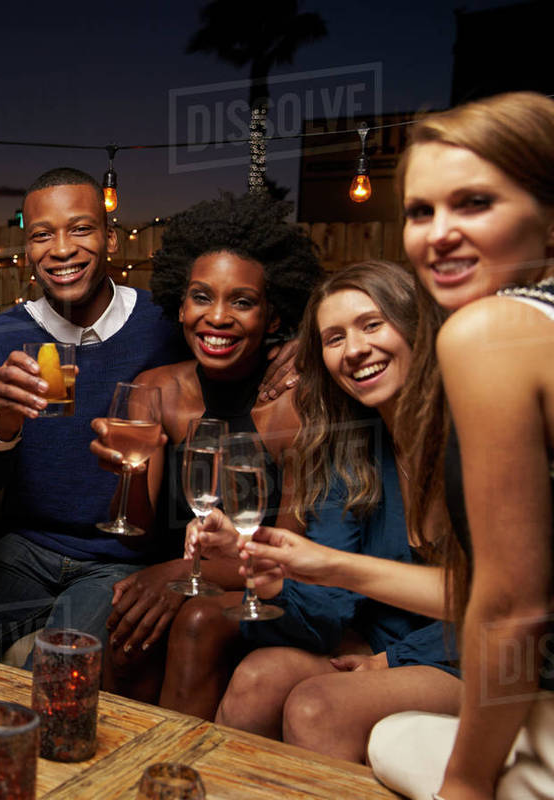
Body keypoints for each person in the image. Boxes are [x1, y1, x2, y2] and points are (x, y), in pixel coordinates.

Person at [0, 167, 190, 660]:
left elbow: (240, 341)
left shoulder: (163, 324)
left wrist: (291, 356)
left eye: (80, 228)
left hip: (120, 560)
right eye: (43, 235)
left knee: (59, 667)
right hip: (25, 549)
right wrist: (3, 423)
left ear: (109, 236)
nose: (61, 249)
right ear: (27, 251)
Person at [191, 260, 460, 762]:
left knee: (317, 706)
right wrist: (264, 571)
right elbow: (328, 608)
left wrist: (394, 660)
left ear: (417, 326)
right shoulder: (352, 453)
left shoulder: (471, 431)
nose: (355, 349)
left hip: (478, 654)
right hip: (382, 645)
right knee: (257, 678)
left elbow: (512, 605)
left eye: (372, 324)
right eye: (334, 338)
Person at [364, 91, 554, 800]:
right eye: (420, 211)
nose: (436, 235)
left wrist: (466, 787)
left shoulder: (490, 332)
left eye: (474, 203)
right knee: (393, 736)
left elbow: (514, 612)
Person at [90, 192, 319, 708]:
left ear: (273, 315)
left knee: (195, 618)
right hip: (175, 573)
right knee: (127, 633)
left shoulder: (293, 404)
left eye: (241, 301)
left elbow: (290, 557)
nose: (217, 317)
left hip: (262, 585)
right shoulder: (156, 390)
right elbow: (137, 537)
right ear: (181, 303)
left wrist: (177, 576)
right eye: (201, 297)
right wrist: (129, 474)